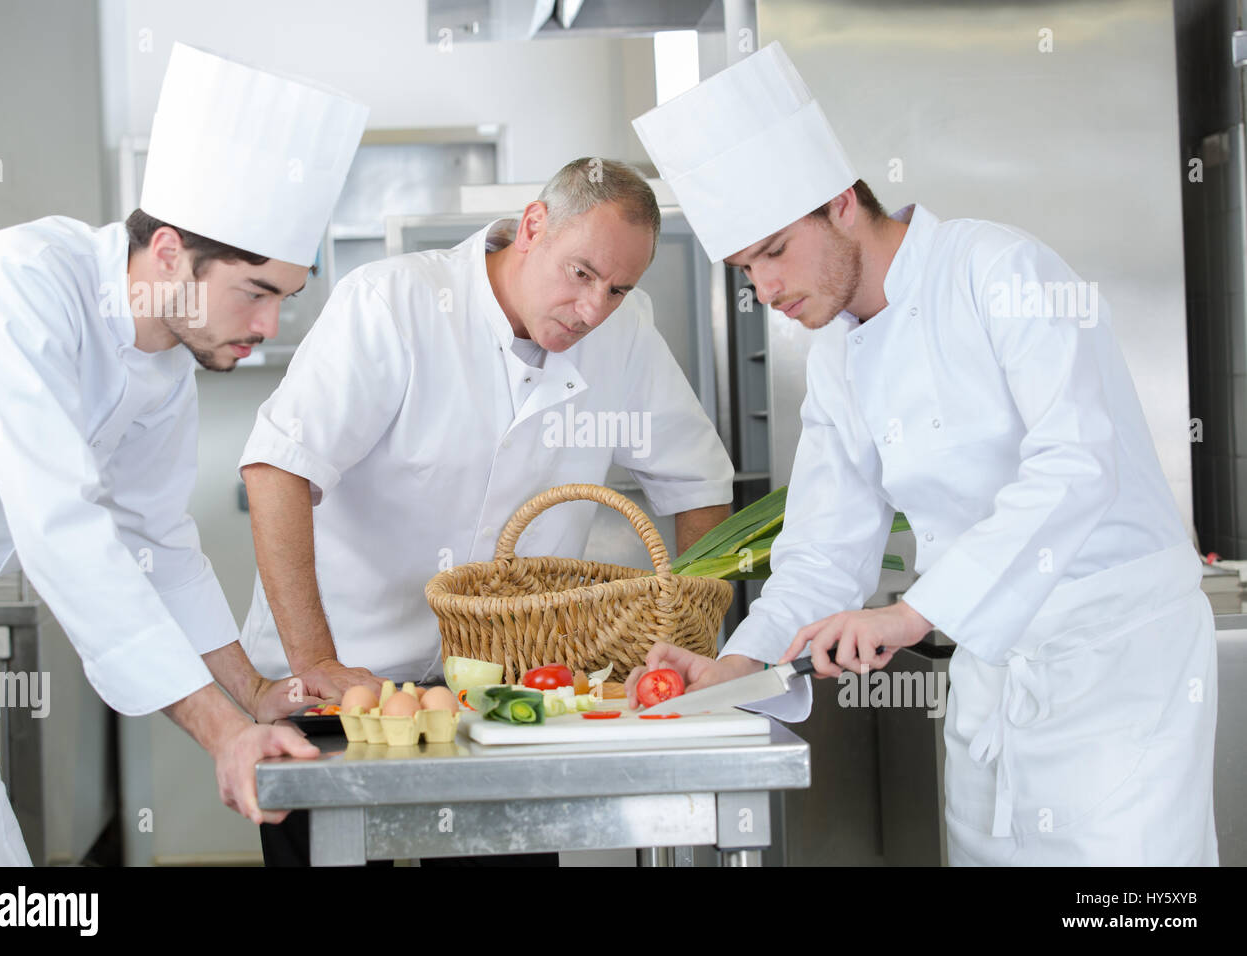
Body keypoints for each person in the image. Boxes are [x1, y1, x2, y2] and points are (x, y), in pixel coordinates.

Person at [625, 42, 1217, 865]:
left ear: (837, 202)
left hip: (1116, 670)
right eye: (744, 268)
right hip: (992, 673)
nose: (764, 289)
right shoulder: (839, 353)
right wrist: (739, 661)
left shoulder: (997, 270)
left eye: (772, 252)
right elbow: (825, 548)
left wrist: (913, 613)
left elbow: (1076, 464)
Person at [239, 158, 735, 864]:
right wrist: (315, 657)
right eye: (582, 274)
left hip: (504, 691)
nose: (594, 309)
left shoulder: (624, 337)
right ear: (533, 226)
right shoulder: (396, 303)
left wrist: (689, 644)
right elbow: (277, 469)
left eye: (620, 288)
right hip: (344, 679)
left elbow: (698, 486)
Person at [0, 42, 367, 864]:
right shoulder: (20, 282)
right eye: (256, 292)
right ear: (170, 252)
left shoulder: (165, 367)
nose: (268, 327)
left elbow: (158, 548)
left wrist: (255, 698)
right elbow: (58, 526)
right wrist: (219, 734)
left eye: (285, 299)